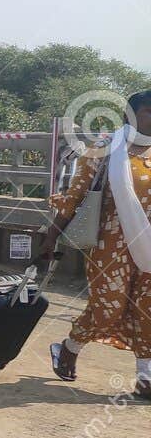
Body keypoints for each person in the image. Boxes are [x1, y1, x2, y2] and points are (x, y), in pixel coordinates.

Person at [40, 89, 151, 399]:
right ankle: (68, 347)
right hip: (110, 244)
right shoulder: (106, 147)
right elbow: (75, 194)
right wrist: (52, 235)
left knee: (148, 309)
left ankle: (146, 376)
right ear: (132, 114)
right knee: (109, 308)